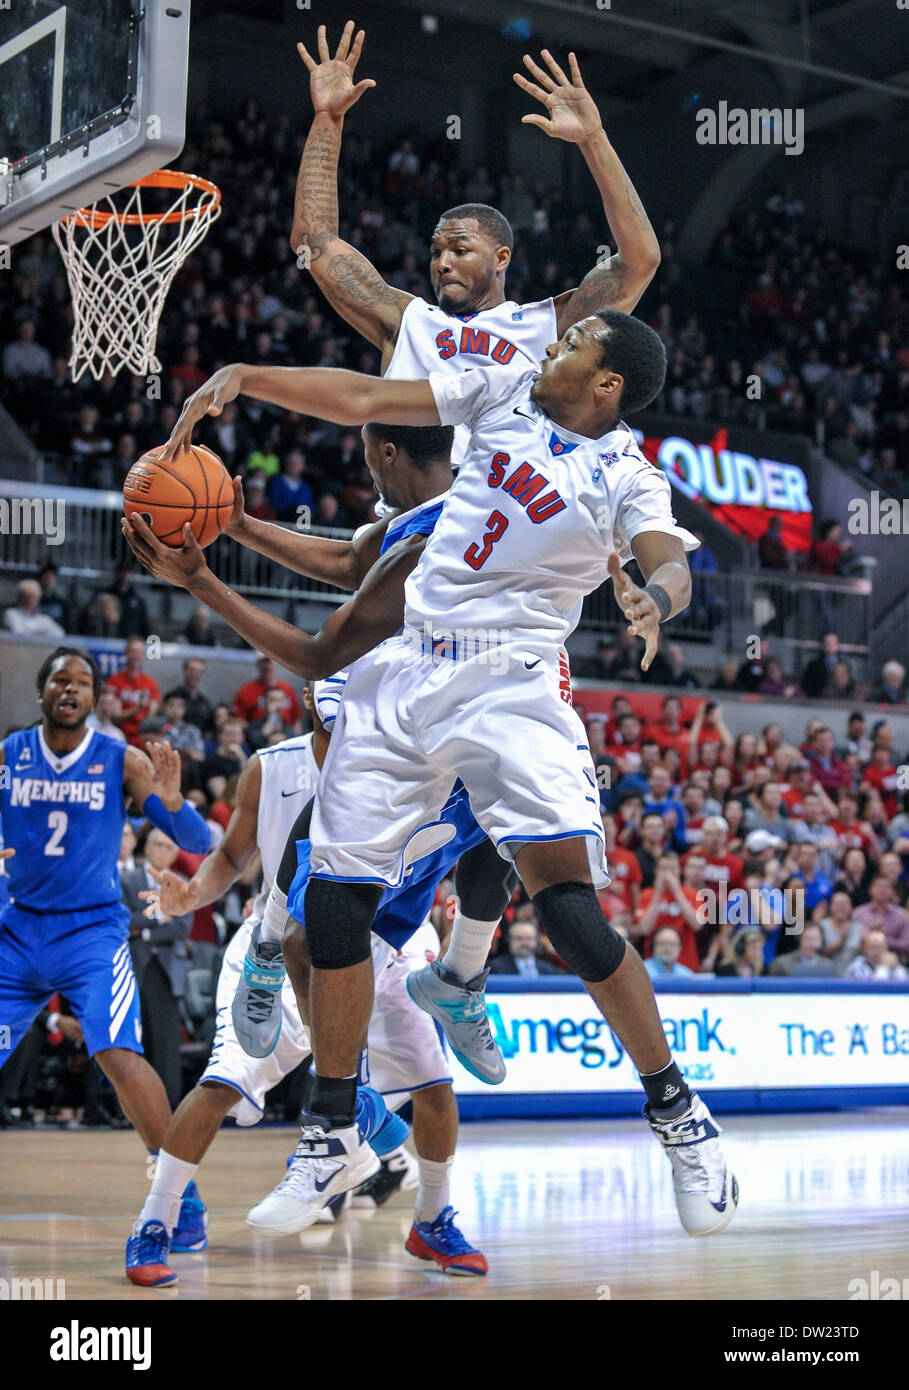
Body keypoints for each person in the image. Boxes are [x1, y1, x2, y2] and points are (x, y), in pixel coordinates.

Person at [155, 306, 739, 1238]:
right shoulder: (502, 388)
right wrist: (247, 374)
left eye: (575, 342)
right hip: (408, 666)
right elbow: (365, 396)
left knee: (570, 910)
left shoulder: (626, 474)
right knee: (334, 906)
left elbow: (669, 563)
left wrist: (648, 594)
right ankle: (333, 1125)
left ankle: (675, 1109)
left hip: (511, 680)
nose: (554, 344)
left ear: (607, 384)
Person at [125, 710, 490, 1281]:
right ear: (310, 686)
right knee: (222, 1082)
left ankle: (432, 1217)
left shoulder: (415, 755)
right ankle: (157, 1220)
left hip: (384, 940)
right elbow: (229, 857)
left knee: (434, 1085)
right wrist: (191, 895)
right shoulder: (268, 767)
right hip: (279, 938)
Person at [290, 23, 660, 461]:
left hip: (506, 516)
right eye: (436, 251)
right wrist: (328, 118)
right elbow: (313, 242)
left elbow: (639, 260)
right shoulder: (407, 319)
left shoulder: (548, 329)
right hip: (418, 516)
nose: (442, 263)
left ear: (502, 257)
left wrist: (593, 140)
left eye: (460, 250)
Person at [0, 650, 212, 1254]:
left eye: (84, 682)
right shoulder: (10, 755)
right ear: (41, 692)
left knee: (116, 1051)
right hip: (17, 933)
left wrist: (172, 804)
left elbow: (197, 841)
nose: (71, 688)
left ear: (96, 699)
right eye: (60, 679)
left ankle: (181, 1198)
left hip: (90, 933)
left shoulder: (122, 760)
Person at [121, 830, 193, 1109]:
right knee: (135, 1040)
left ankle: (168, 1104)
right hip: (134, 966)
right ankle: (129, 1106)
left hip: (166, 969)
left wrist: (146, 931)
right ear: (147, 847)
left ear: (176, 854)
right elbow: (125, 921)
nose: (163, 851)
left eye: (169, 847)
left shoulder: (182, 883)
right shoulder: (128, 880)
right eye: (158, 845)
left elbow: (181, 926)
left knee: (166, 1043)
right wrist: (159, 916)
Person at [105, 637, 161, 746]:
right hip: (119, 736)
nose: (136, 655)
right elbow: (116, 716)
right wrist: (139, 707)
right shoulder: (113, 681)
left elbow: (151, 714)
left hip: (142, 738)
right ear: (125, 654)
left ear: (143, 656)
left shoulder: (150, 683)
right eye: (132, 651)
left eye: (139, 652)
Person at [233, 655, 302, 726]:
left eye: (270, 662)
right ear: (258, 665)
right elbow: (239, 719)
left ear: (276, 664)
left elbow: (296, 717)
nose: (267, 666)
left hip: (286, 733)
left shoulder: (287, 689)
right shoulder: (246, 690)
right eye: (264, 663)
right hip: (258, 732)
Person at [489, 920, 563, 976]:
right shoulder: (495, 968)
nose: (524, 943)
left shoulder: (549, 970)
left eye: (529, 938)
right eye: (519, 938)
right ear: (510, 940)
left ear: (536, 941)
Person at [164, 657, 214, 735]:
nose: (195, 675)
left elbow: (209, 727)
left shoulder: (204, 701)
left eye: (199, 672)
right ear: (184, 671)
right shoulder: (172, 697)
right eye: (192, 670)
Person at [769, 923, 834, 977]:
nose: (811, 943)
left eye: (815, 939)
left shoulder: (828, 965)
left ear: (821, 942)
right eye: (807, 938)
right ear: (799, 940)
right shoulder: (781, 964)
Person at [843, 929, 908, 981]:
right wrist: (883, 968)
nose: (877, 952)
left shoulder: (892, 964)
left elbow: (904, 986)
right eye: (873, 948)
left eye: (880, 947)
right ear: (864, 950)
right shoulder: (857, 967)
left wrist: (897, 968)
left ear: (886, 948)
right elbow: (875, 991)